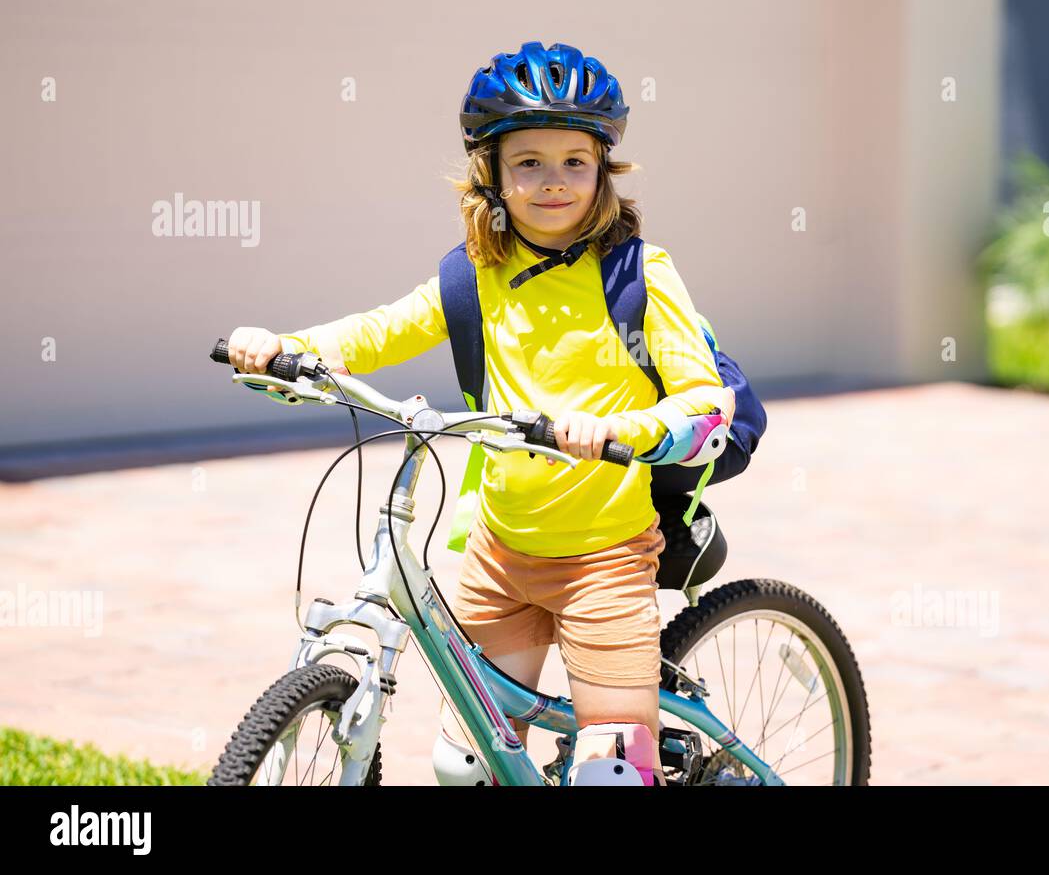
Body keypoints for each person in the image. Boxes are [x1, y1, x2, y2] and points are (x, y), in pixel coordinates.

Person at [224, 41, 734, 786]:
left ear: (604, 172)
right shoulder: (475, 278)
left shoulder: (639, 276)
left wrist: (625, 430)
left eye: (574, 161)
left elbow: (705, 405)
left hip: (605, 559)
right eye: (528, 162)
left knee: (613, 773)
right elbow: (379, 329)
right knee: (463, 764)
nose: (552, 182)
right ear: (491, 174)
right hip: (498, 557)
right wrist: (285, 350)